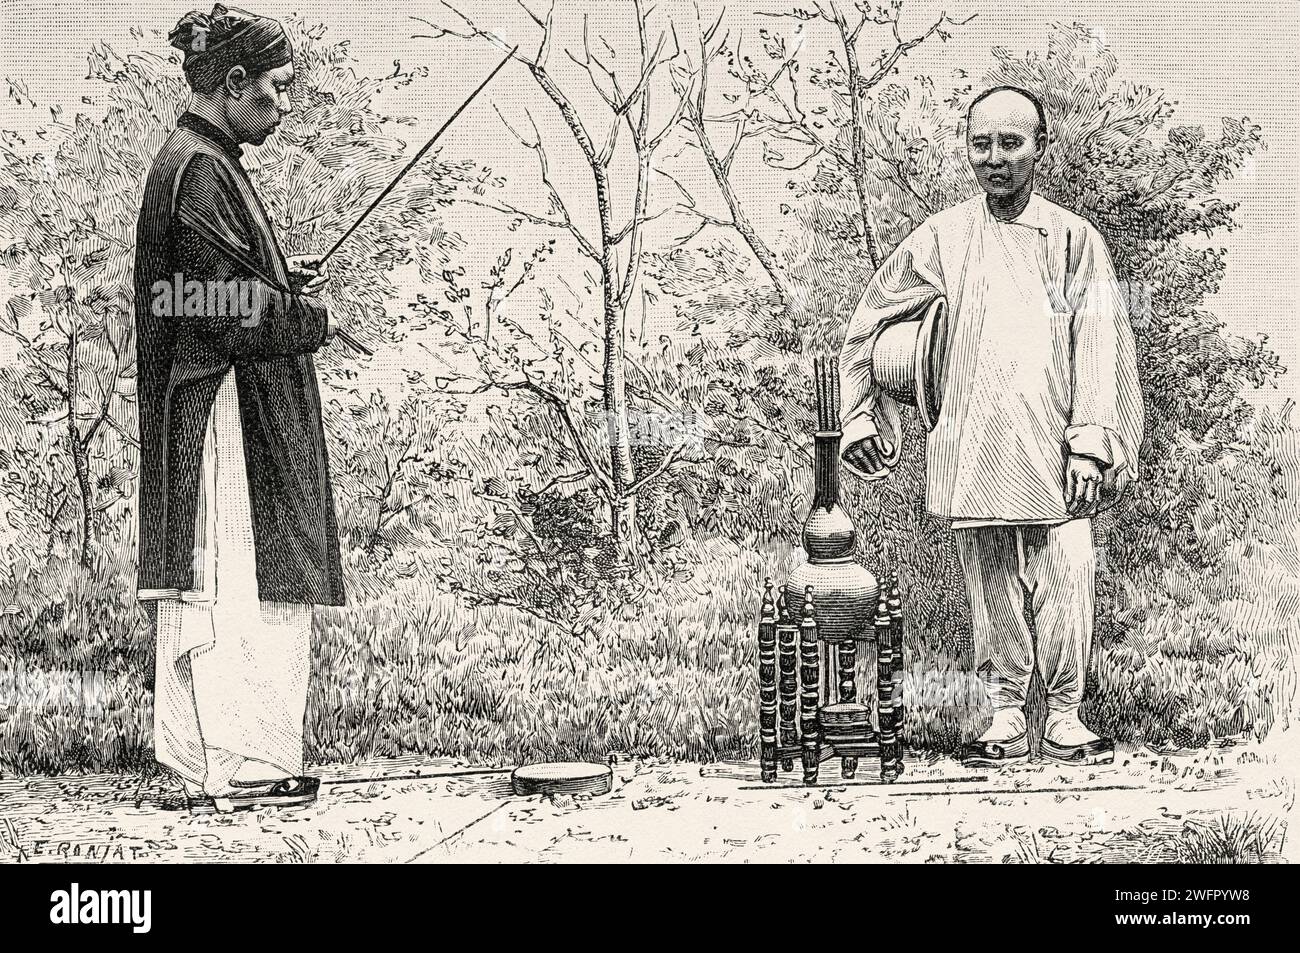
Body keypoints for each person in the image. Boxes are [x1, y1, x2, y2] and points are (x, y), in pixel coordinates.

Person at [837, 86, 1144, 767]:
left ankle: (1063, 715)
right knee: (992, 585)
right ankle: (1004, 713)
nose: (996, 158)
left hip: (1055, 446)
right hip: (972, 441)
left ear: (1040, 148)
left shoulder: (1074, 238)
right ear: (968, 148)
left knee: (1066, 574)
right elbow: (869, 320)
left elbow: (1102, 344)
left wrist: (1091, 441)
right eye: (982, 144)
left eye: (1011, 143)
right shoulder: (943, 236)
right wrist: (859, 414)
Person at [134, 4, 346, 811]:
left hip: (218, 405)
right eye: (277, 88)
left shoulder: (197, 159)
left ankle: (211, 763)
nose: (283, 105)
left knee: (228, 588)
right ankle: (246, 764)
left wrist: (279, 277)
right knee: (240, 588)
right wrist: (309, 317)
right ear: (232, 82)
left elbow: (207, 287)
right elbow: (215, 310)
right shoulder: (201, 168)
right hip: (226, 419)